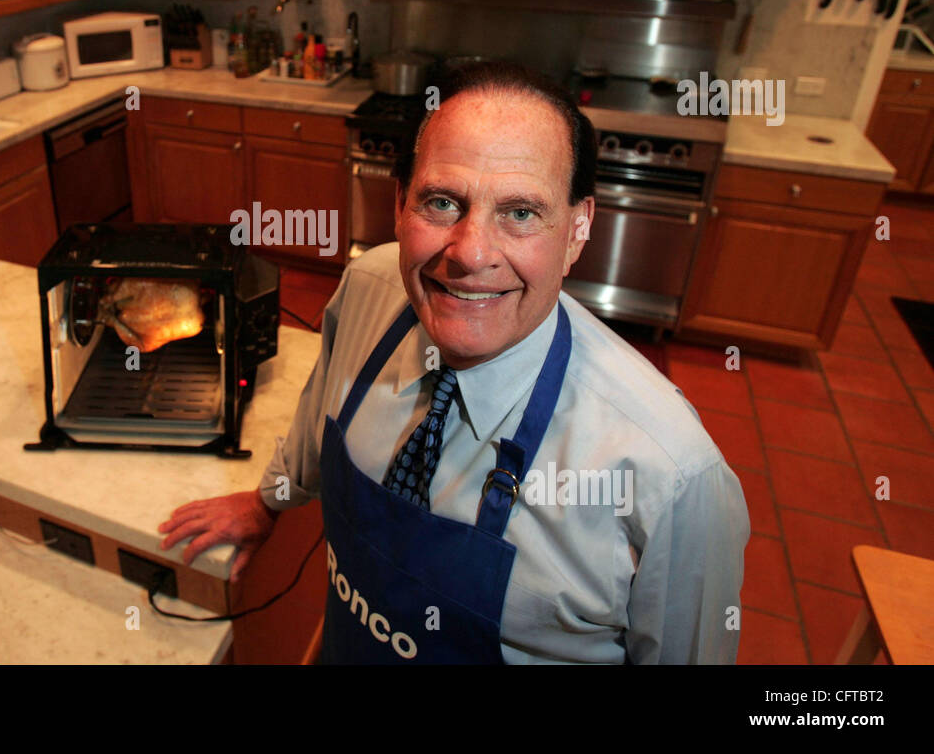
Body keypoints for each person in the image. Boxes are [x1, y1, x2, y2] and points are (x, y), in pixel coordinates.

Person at [159, 61, 749, 664]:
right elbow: (318, 418)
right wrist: (267, 502)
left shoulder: (671, 477)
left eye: (520, 213)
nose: (469, 253)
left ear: (577, 230)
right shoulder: (368, 288)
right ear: (398, 206)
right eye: (442, 202)